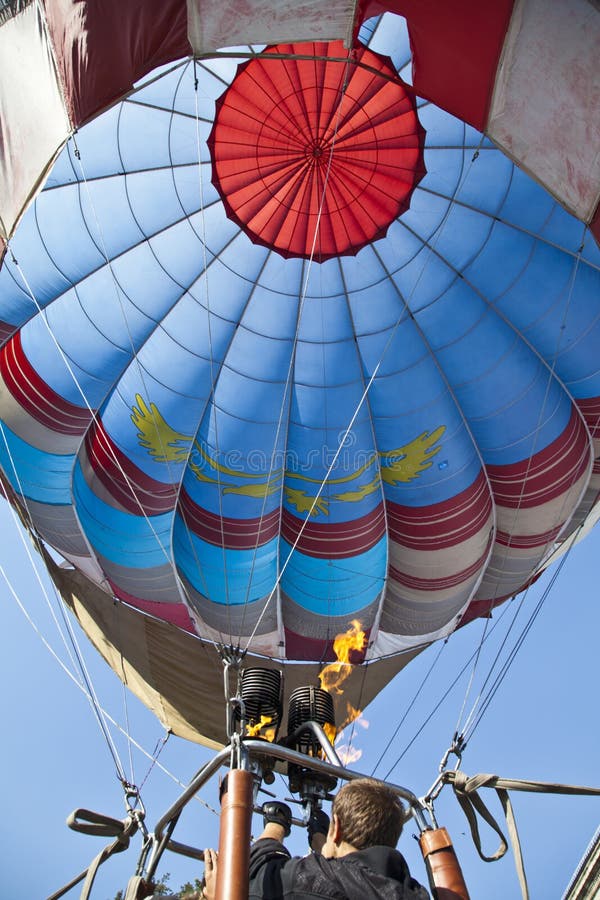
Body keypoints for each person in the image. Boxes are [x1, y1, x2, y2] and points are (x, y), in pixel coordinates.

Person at [202, 778, 429, 899]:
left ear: (335, 828)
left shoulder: (305, 881)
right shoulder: (416, 893)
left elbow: (260, 865)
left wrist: (276, 824)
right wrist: (322, 839)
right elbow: (351, 872)